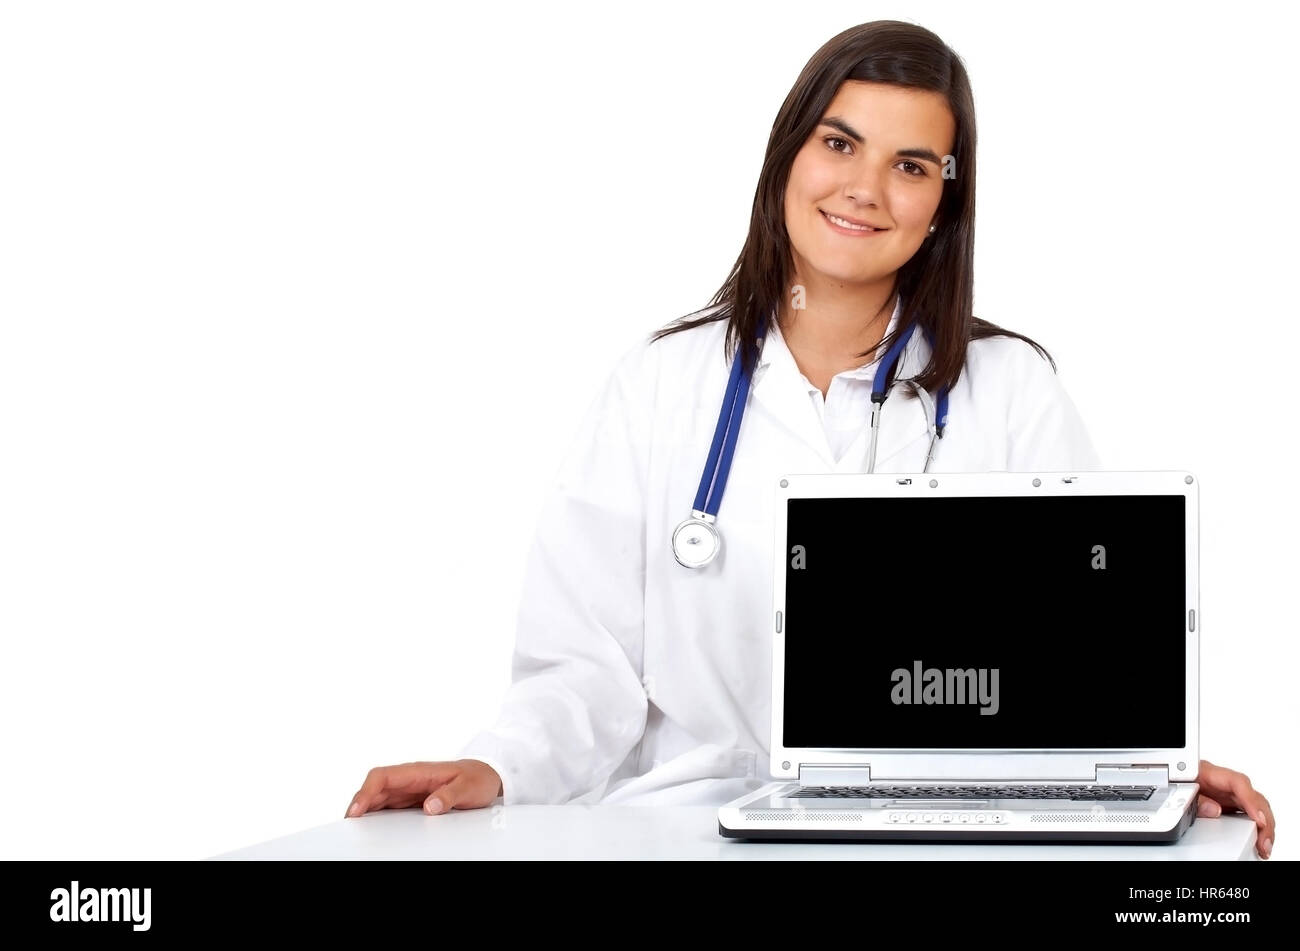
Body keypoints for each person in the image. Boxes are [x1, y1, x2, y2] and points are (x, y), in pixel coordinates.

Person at [345, 20, 1275, 858]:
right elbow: (584, 670)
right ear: (789, 153)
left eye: (912, 165)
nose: (866, 190)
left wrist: (1162, 774)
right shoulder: (662, 385)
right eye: (840, 143)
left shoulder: (1013, 391)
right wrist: (496, 767)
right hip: (693, 832)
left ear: (944, 201)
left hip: (945, 838)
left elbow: (1081, 657)